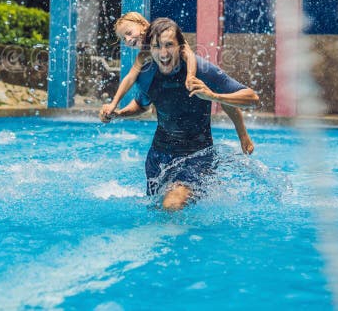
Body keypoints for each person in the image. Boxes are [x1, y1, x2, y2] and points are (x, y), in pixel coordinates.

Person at [100, 17, 259, 211]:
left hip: (197, 155)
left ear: (180, 46)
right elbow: (142, 105)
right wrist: (118, 113)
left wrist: (213, 96)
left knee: (172, 204)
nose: (164, 53)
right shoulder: (146, 72)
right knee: (157, 209)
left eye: (169, 45)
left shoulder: (201, 69)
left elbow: (252, 98)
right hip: (158, 158)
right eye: (157, 46)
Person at [100, 12, 255, 155]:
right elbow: (129, 78)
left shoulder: (169, 34)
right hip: (165, 146)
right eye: (123, 39)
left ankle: (242, 133)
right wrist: (114, 105)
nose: (127, 40)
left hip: (197, 140)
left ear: (142, 24)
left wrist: (190, 76)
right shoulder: (143, 59)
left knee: (221, 92)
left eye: (128, 33)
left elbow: (190, 55)